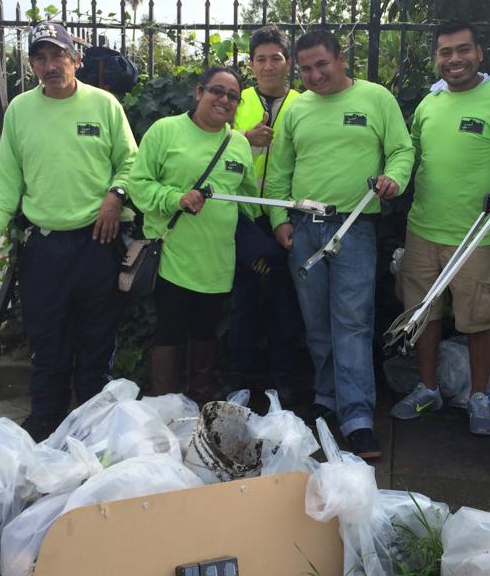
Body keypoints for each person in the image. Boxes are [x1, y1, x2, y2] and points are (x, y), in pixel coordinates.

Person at [0, 21, 137, 442]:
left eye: (58, 55)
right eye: (40, 57)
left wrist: (116, 195)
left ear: (76, 60)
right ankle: (45, 422)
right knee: (47, 345)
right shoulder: (20, 111)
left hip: (97, 245)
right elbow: (8, 179)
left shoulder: (104, 106)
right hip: (44, 249)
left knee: (96, 345)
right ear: (32, 65)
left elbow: (131, 163)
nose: (50, 65)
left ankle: (93, 426)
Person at [265, 30, 415, 459]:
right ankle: (327, 399)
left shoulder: (375, 99)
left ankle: (358, 417)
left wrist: (394, 179)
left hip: (353, 227)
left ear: (341, 58)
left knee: (351, 321)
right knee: (316, 323)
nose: (314, 75)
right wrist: (279, 221)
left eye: (322, 65)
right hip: (302, 228)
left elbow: (401, 151)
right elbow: (279, 172)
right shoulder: (297, 109)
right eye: (306, 68)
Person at [391, 21, 490, 434]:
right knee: (422, 316)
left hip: (478, 235)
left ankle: (479, 396)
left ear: (479, 53)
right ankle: (427, 390)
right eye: (445, 52)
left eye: (462, 50)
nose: (454, 59)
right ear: (435, 58)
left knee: (480, 319)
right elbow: (410, 155)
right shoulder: (428, 104)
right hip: (422, 230)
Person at [129, 66, 256, 403]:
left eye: (233, 96)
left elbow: (248, 199)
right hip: (173, 256)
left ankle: (200, 398)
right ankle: (164, 403)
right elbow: (138, 185)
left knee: (206, 332)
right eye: (217, 91)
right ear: (199, 92)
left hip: (217, 261)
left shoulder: (239, 145)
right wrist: (176, 198)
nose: (224, 99)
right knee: (168, 331)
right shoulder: (164, 131)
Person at [225, 26, 302, 403]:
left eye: (276, 58)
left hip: (288, 216)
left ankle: (283, 382)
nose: (268, 66)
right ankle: (240, 382)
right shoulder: (237, 100)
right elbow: (211, 142)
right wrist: (243, 138)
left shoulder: (303, 103)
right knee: (245, 303)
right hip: (244, 218)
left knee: (286, 305)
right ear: (251, 64)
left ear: (288, 62)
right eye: (260, 59)